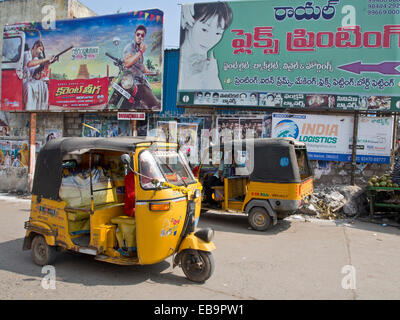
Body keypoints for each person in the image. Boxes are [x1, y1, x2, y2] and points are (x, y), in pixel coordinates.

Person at [179, 2, 233, 90]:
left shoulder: (209, 71)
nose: (210, 39)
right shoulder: (171, 62)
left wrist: (211, 78)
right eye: (204, 29)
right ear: (189, 22)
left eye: (218, 33)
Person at [122, 24, 161, 110]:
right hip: (132, 83)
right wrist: (140, 52)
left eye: (142, 35)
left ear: (144, 37)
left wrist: (154, 73)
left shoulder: (138, 50)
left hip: (141, 83)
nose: (140, 37)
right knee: (154, 104)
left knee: (155, 105)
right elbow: (127, 63)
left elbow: (143, 69)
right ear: (135, 34)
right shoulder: (130, 47)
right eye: (138, 34)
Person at [23, 40, 55, 111]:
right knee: (28, 86)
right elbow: (29, 64)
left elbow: (36, 76)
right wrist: (46, 59)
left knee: (43, 85)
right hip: (22, 82)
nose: (41, 52)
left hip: (30, 81)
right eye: (40, 49)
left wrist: (46, 66)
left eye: (42, 50)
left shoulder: (36, 59)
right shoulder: (26, 54)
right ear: (35, 46)